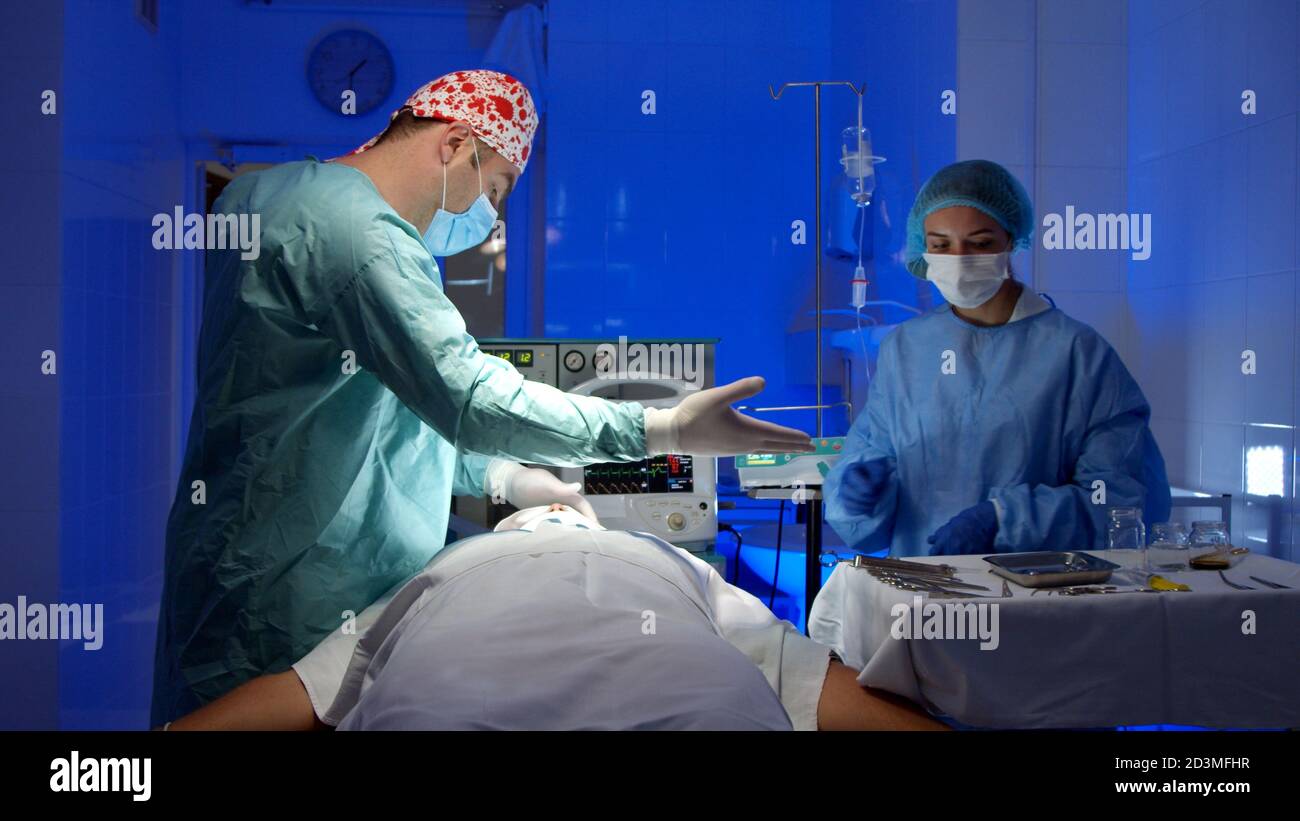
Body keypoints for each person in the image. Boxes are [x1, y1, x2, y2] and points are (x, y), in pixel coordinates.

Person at [151, 71, 812, 725]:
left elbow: (386, 414)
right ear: (456, 143)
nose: (490, 216)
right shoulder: (356, 234)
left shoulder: (279, 196)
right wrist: (659, 427)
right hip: (296, 586)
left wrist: (503, 475)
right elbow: (467, 395)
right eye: (495, 188)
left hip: (258, 547)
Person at [162, 505, 946, 731]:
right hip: (692, 699)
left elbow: (295, 693)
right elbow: (819, 688)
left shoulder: (451, 567)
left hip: (445, 702)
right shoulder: (662, 560)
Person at [825, 160, 1169, 558]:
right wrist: (857, 492)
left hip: (1038, 597)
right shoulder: (906, 349)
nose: (960, 258)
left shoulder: (1077, 353)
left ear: (1011, 239)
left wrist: (1004, 520)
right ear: (923, 250)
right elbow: (867, 462)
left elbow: (1123, 500)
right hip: (924, 592)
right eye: (940, 245)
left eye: (981, 242)